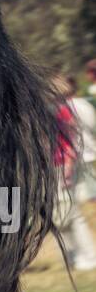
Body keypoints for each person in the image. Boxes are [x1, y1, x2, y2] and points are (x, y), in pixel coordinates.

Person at [54, 74, 96, 272]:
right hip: (61, 164)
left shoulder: (64, 111)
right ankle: (73, 256)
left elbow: (68, 142)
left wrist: (69, 165)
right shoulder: (61, 109)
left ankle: (87, 256)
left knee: (72, 214)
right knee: (62, 216)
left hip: (65, 165)